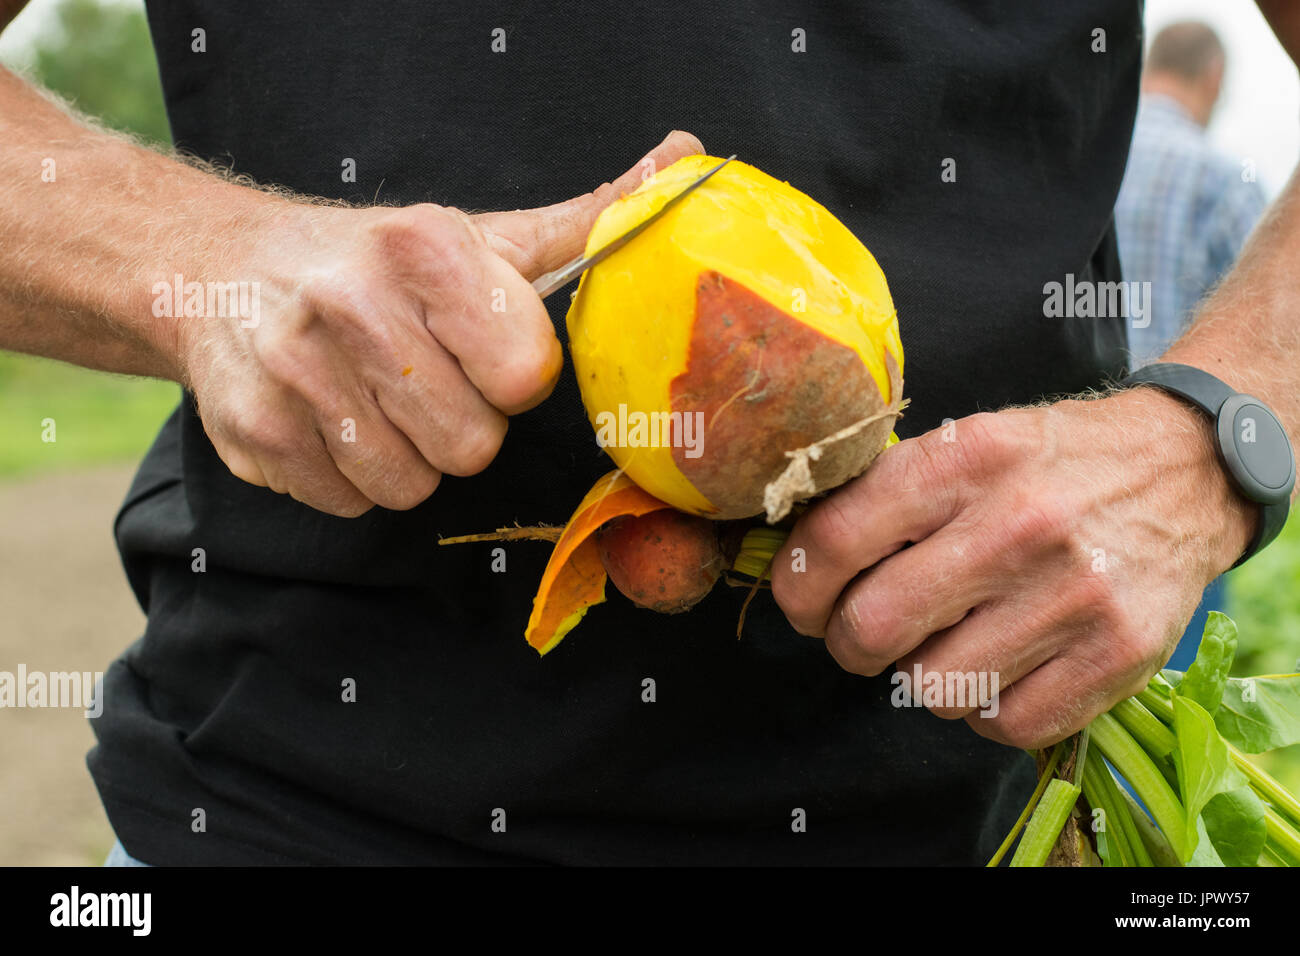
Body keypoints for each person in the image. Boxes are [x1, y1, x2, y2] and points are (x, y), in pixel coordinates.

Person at [1, 2, 1295, 865]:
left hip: (975, 825)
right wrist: (196, 258)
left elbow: (1227, 421)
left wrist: (1217, 430)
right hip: (277, 816)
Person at [1115, 21, 1270, 669]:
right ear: (1212, 79)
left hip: (1054, 470)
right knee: (1172, 705)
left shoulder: (1085, 166)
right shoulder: (1220, 176)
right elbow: (1270, 337)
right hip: (1189, 480)